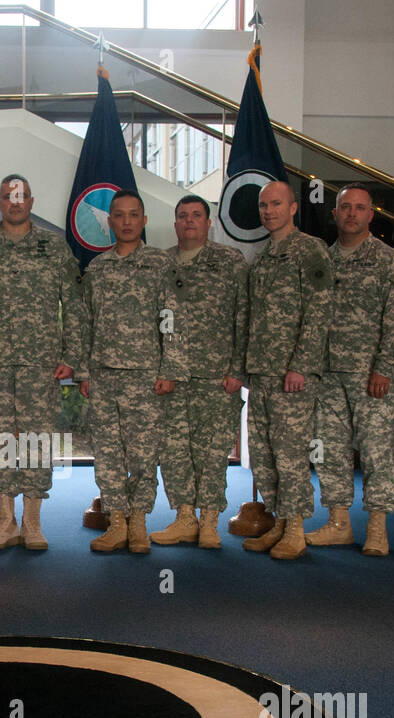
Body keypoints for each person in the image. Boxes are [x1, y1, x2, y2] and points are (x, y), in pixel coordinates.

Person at [0, 173, 88, 551]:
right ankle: (5, 522)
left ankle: (32, 523)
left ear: (32, 202)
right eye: (7, 196)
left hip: (40, 364)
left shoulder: (55, 247)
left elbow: (75, 307)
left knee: (35, 441)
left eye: (21, 196)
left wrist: (72, 357)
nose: (15, 202)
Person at [306, 184, 394, 556]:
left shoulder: (389, 261)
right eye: (345, 207)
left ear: (371, 215)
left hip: (371, 376)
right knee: (329, 450)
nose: (351, 214)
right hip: (327, 373)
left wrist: (384, 368)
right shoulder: (321, 260)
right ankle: (338, 523)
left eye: (359, 208)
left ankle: (378, 529)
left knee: (375, 453)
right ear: (334, 214)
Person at [238, 180, 333, 560]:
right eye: (263, 206)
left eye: (276, 204)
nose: (268, 211)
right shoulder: (263, 255)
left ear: (293, 208)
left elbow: (319, 311)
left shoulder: (310, 250)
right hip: (261, 373)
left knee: (292, 453)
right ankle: (278, 522)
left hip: (292, 375)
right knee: (264, 453)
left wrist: (301, 365)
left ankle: (295, 528)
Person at [150, 194, 248, 549]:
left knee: (212, 453)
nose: (189, 221)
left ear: (209, 223)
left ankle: (209, 521)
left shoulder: (229, 262)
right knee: (174, 451)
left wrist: (238, 369)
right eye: (182, 216)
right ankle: (184, 518)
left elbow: (243, 316)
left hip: (216, 376)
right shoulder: (160, 264)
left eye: (196, 216)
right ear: (175, 224)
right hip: (172, 377)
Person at [79, 189, 171, 554]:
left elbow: (172, 320)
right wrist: (84, 372)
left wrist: (170, 369)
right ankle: (117, 521)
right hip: (103, 376)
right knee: (108, 453)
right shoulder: (97, 268)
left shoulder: (161, 265)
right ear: (110, 221)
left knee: (145, 454)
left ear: (144, 221)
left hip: (146, 376)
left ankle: (139, 523)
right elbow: (86, 322)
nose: (127, 222)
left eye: (134, 215)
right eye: (119, 215)